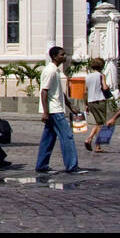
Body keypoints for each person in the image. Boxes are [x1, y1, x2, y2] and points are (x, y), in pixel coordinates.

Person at [36, 46, 83, 174]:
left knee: (48, 138)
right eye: (62, 54)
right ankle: (72, 166)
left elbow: (59, 92)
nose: (65, 56)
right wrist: (45, 112)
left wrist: (70, 106)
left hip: (56, 108)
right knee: (67, 136)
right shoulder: (50, 71)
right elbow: (44, 92)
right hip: (54, 110)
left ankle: (41, 165)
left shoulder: (55, 71)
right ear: (55, 56)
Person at [83, 57, 113, 152]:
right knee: (101, 124)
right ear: (101, 66)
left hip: (91, 101)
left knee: (98, 122)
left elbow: (85, 92)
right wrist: (108, 86)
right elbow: (104, 87)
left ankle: (90, 139)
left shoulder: (87, 77)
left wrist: (86, 105)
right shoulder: (101, 75)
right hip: (100, 100)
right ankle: (96, 145)